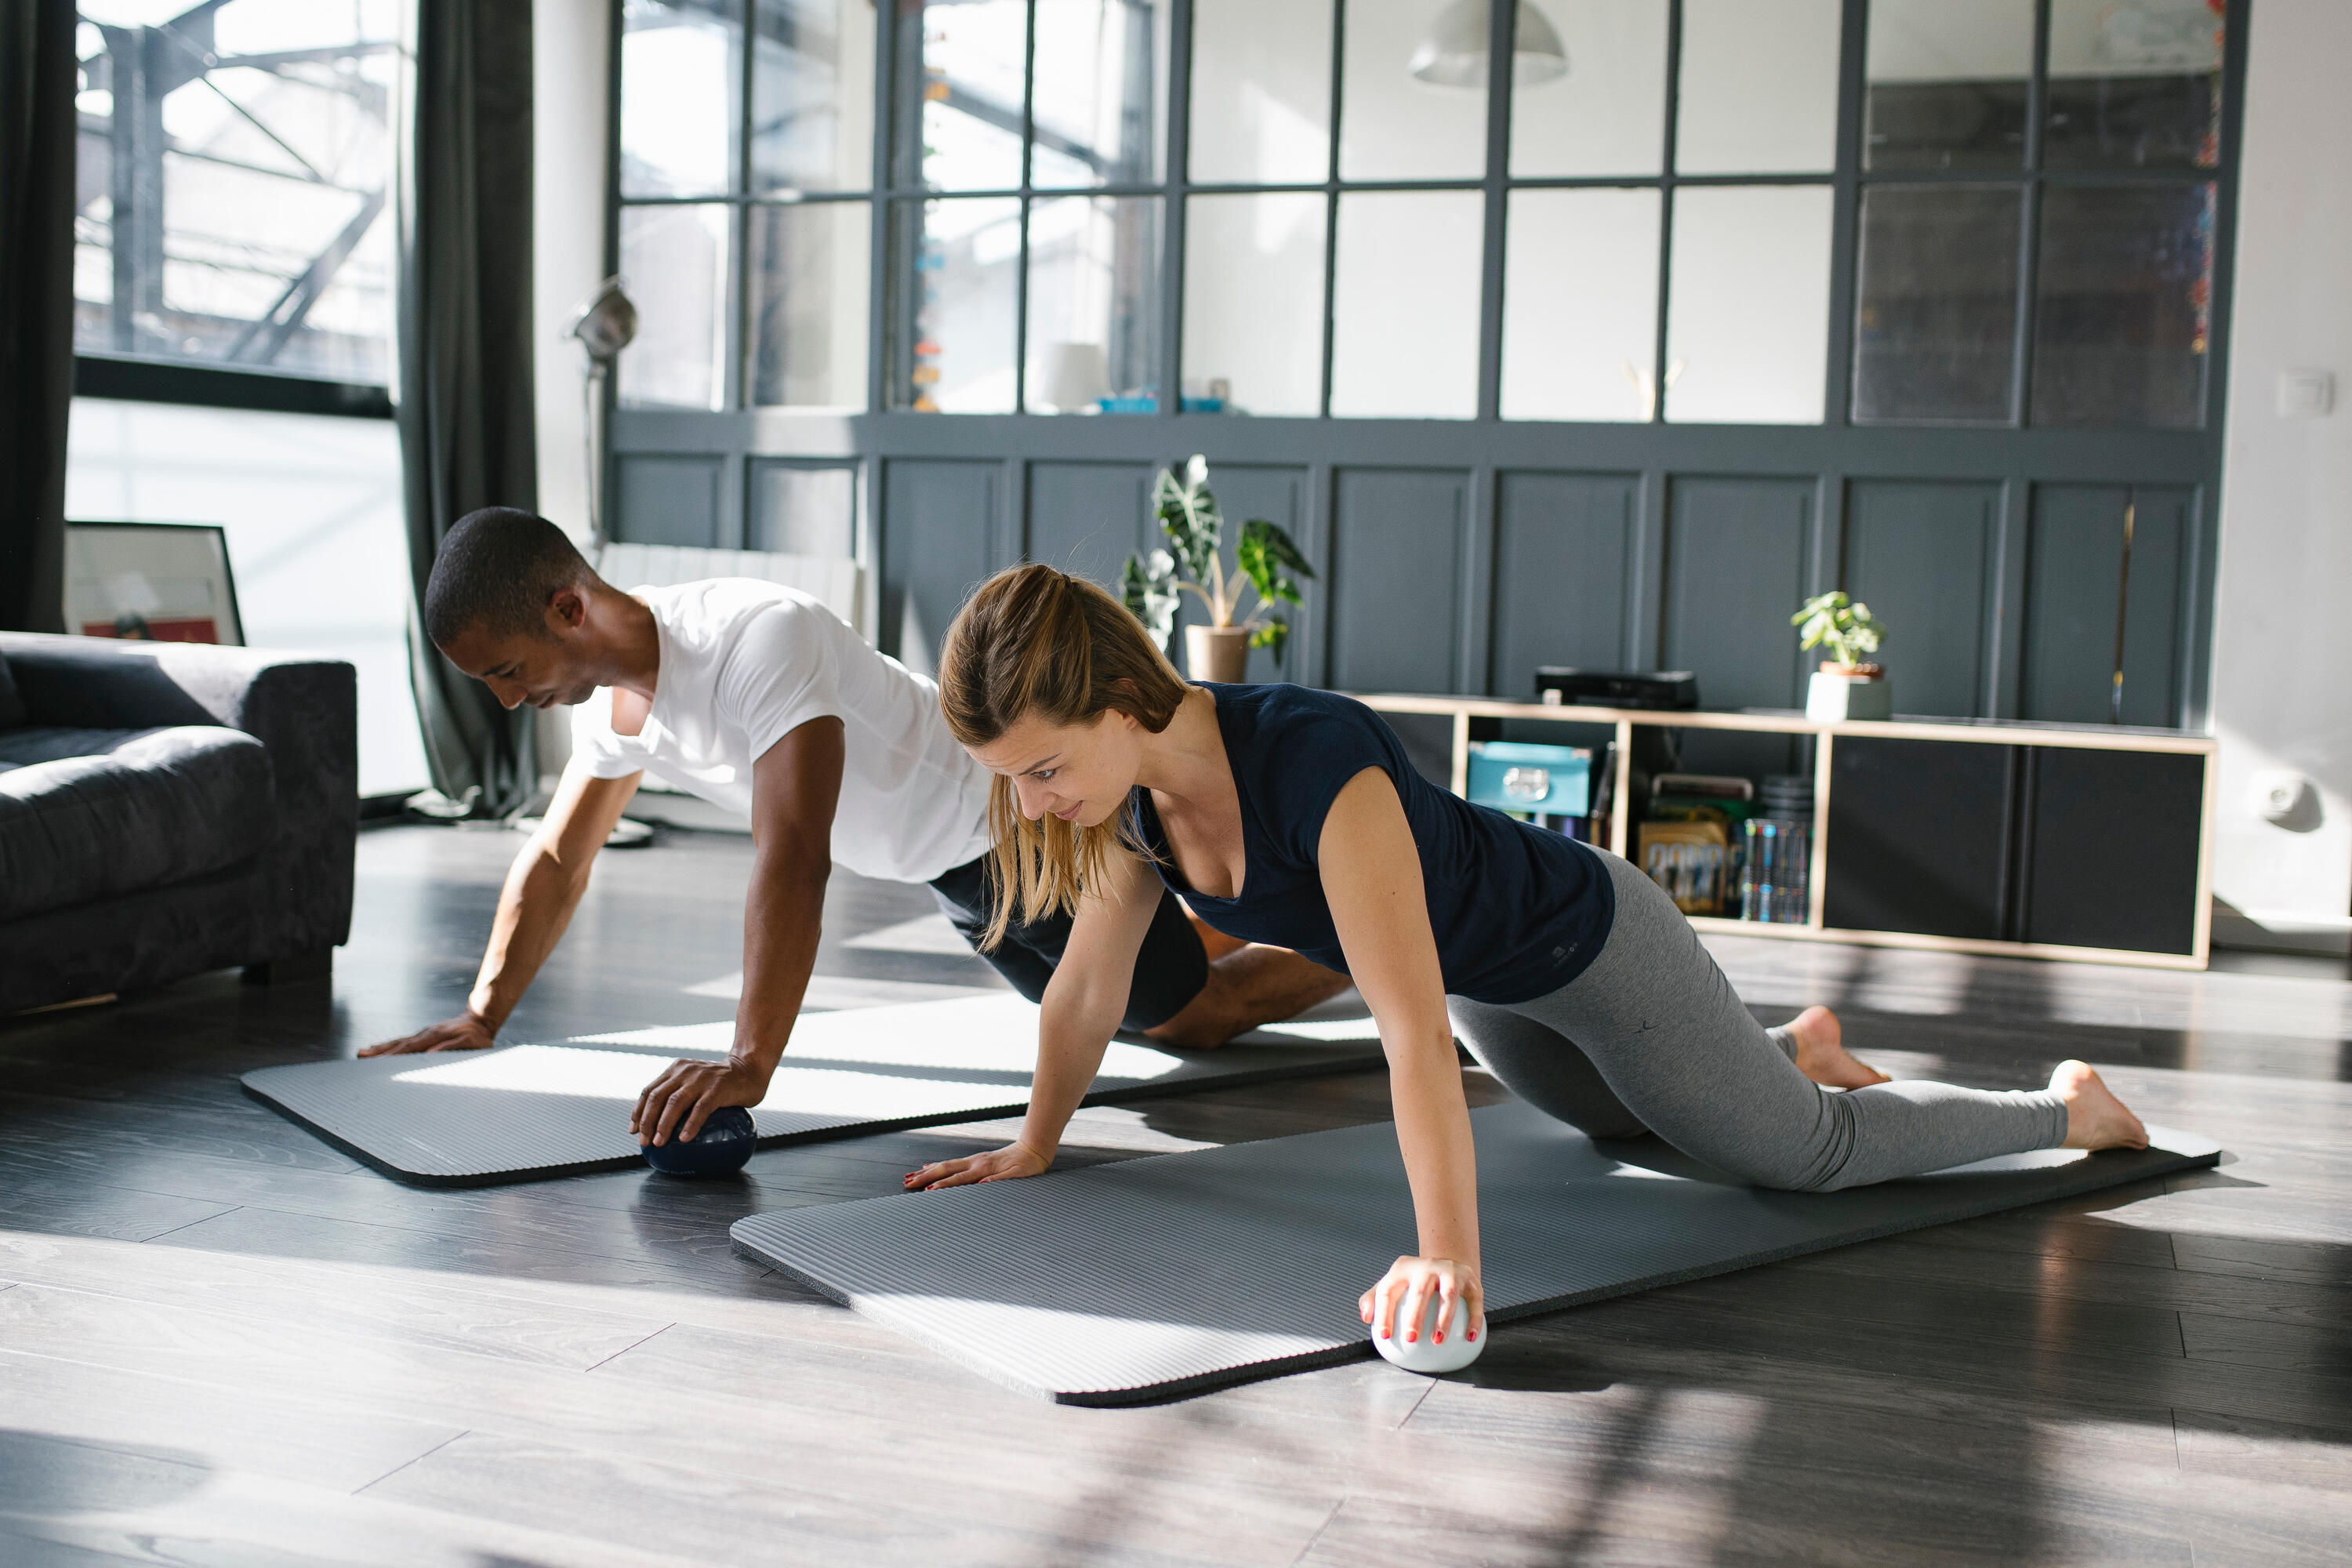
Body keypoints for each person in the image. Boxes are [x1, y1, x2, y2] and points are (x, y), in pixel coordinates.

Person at [902, 564, 2151, 1356]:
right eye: (1011, 780)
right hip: (1501, 991)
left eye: (1042, 767)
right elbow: (1088, 990)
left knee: (1799, 1158)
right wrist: (1036, 1142)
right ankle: (1791, 1052)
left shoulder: (1311, 762)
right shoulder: (1124, 808)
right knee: (1630, 1135)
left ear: (1123, 700)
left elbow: (1402, 1037)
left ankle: (2062, 1106)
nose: (1032, 803)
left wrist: (1450, 1258)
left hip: (1596, 946)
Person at [361, 510, 1349, 1149]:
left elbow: (793, 860)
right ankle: (1308, 896)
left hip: (1022, 824)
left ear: (567, 607)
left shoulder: (756, 637)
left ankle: (1387, 939)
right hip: (957, 872)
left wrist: (752, 1061)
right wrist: (484, 1012)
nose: (502, 702)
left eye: (503, 671)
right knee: (1164, 956)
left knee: (1186, 1018)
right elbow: (557, 859)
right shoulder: (608, 712)